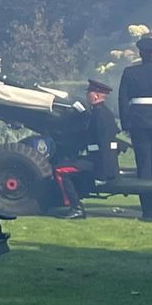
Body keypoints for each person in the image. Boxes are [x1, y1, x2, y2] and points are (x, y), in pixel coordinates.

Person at [119, 33, 152, 221]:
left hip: (138, 123)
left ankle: (147, 209)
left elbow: (123, 100)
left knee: (144, 165)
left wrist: (126, 124)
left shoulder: (129, 72)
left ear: (141, 53)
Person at [52, 80, 120, 219]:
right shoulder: (101, 113)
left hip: (98, 163)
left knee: (60, 171)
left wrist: (102, 174)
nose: (87, 96)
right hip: (96, 159)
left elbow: (104, 144)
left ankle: (75, 208)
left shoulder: (100, 115)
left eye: (89, 93)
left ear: (96, 96)